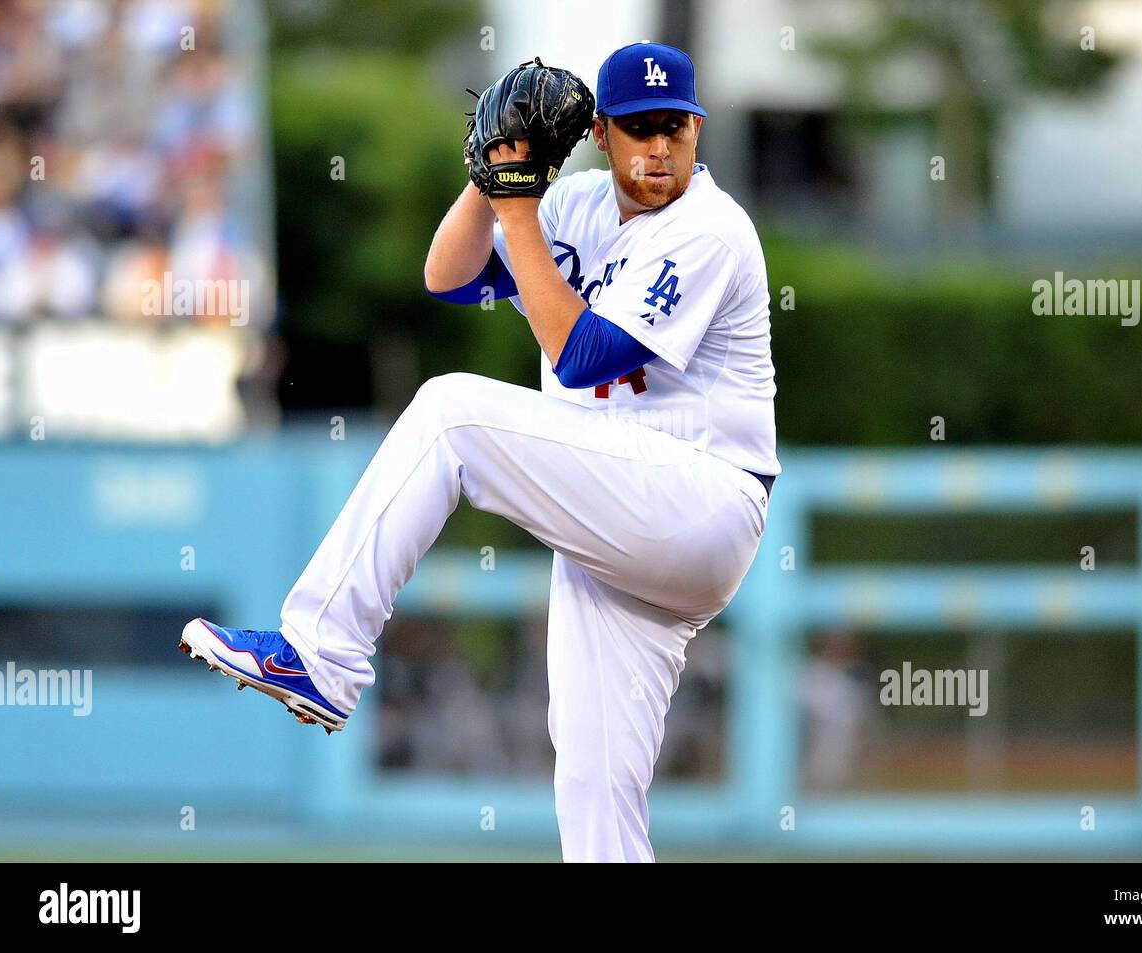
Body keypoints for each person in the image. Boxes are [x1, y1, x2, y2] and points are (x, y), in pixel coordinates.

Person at [180, 41, 779, 863]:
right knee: (595, 791)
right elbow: (447, 275)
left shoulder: (711, 229)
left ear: (698, 129)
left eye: (673, 127)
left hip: (701, 502)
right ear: (601, 134)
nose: (658, 148)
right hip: (618, 524)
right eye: (638, 129)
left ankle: (323, 651)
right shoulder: (573, 206)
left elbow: (583, 355)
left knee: (451, 414)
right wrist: (487, 175)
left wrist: (518, 208)